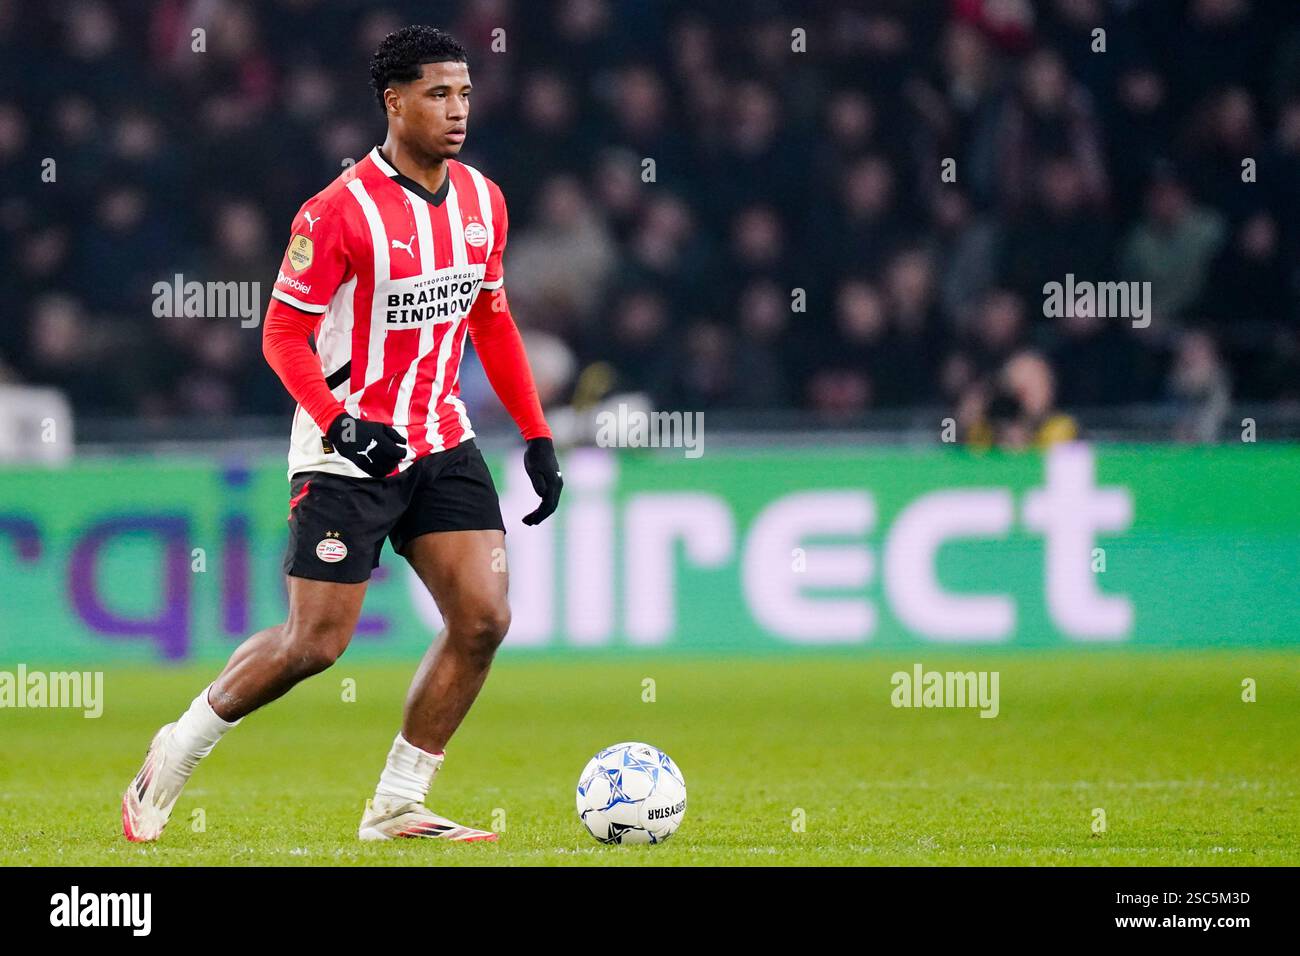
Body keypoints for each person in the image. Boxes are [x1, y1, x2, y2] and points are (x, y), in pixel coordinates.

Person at [122, 25, 563, 844]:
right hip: (345, 452)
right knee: (315, 644)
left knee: (484, 619)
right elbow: (280, 334)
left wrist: (534, 433)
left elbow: (491, 321)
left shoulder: (483, 200)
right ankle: (180, 743)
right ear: (394, 102)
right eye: (438, 93)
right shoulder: (338, 211)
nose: (458, 109)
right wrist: (342, 425)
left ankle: (397, 801)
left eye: (465, 92)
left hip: (441, 439)